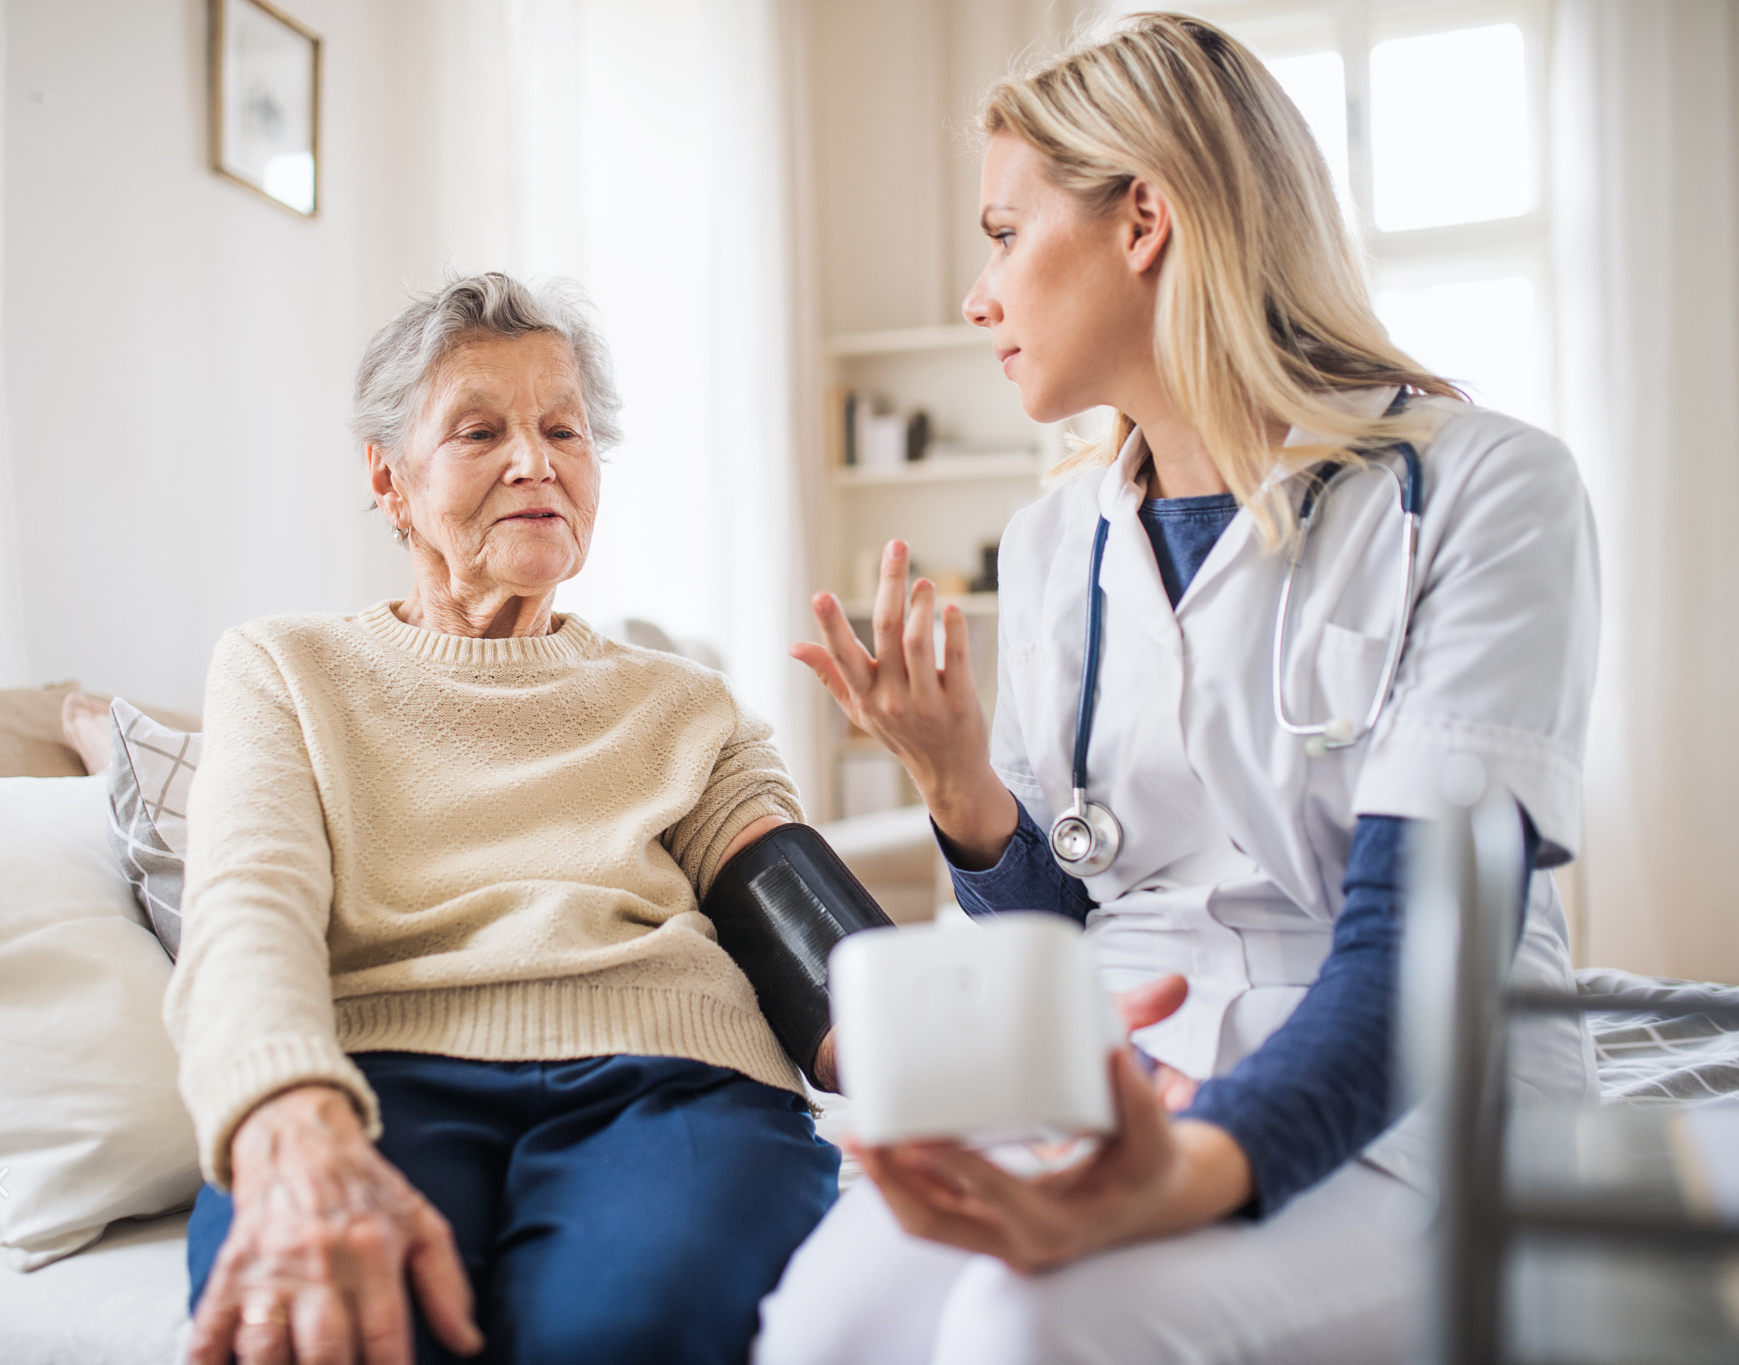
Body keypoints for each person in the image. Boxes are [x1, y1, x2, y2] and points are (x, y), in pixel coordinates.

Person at [758, 13, 1597, 1364]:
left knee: (1024, 1330)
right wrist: (962, 795)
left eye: (1001, 233)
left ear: (1141, 217)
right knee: (822, 1331)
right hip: (1113, 1070)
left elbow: (1416, 953)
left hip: (1406, 1108)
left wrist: (1194, 1167)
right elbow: (1068, 910)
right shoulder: (1053, 544)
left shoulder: (1487, 494)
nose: (979, 297)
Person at [169, 272, 839, 1365]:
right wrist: (285, 1113)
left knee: (623, 1332)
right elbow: (248, 902)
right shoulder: (286, 669)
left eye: (562, 429)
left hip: (668, 1081)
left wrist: (944, 1051)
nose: (535, 462)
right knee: (324, 1328)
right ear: (387, 479)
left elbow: (798, 917)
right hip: (377, 1082)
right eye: (480, 431)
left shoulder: (682, 702)